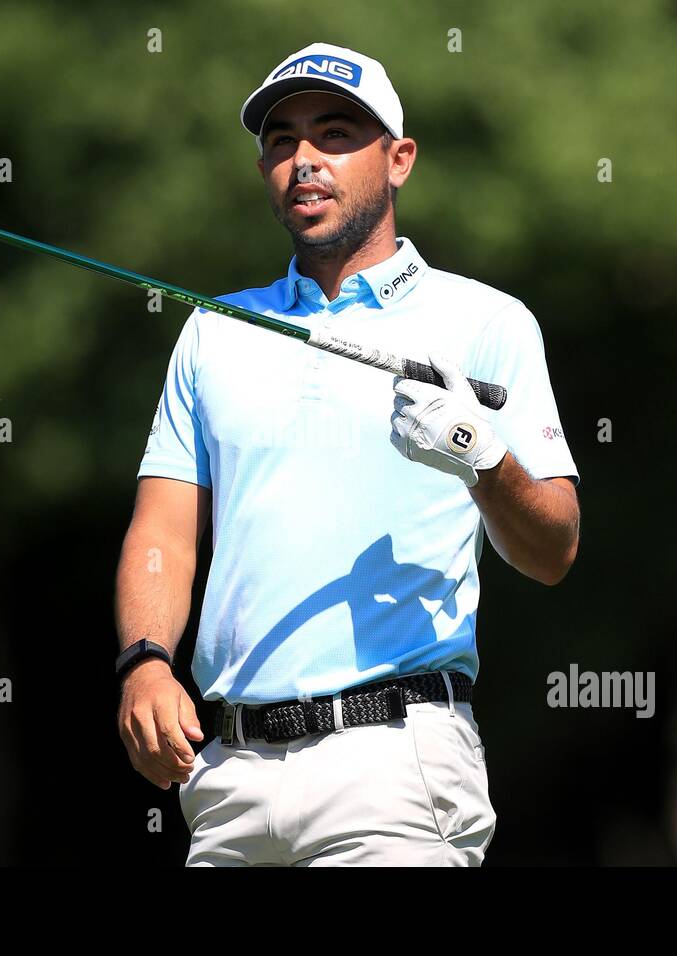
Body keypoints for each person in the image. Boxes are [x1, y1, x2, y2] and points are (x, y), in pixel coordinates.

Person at [114, 42, 581, 866]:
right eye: (281, 141)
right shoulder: (214, 329)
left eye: (335, 134)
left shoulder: (488, 322)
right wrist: (145, 662)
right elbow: (164, 533)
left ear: (399, 160)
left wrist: (480, 453)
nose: (304, 159)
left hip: (394, 766)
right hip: (228, 777)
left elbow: (553, 550)